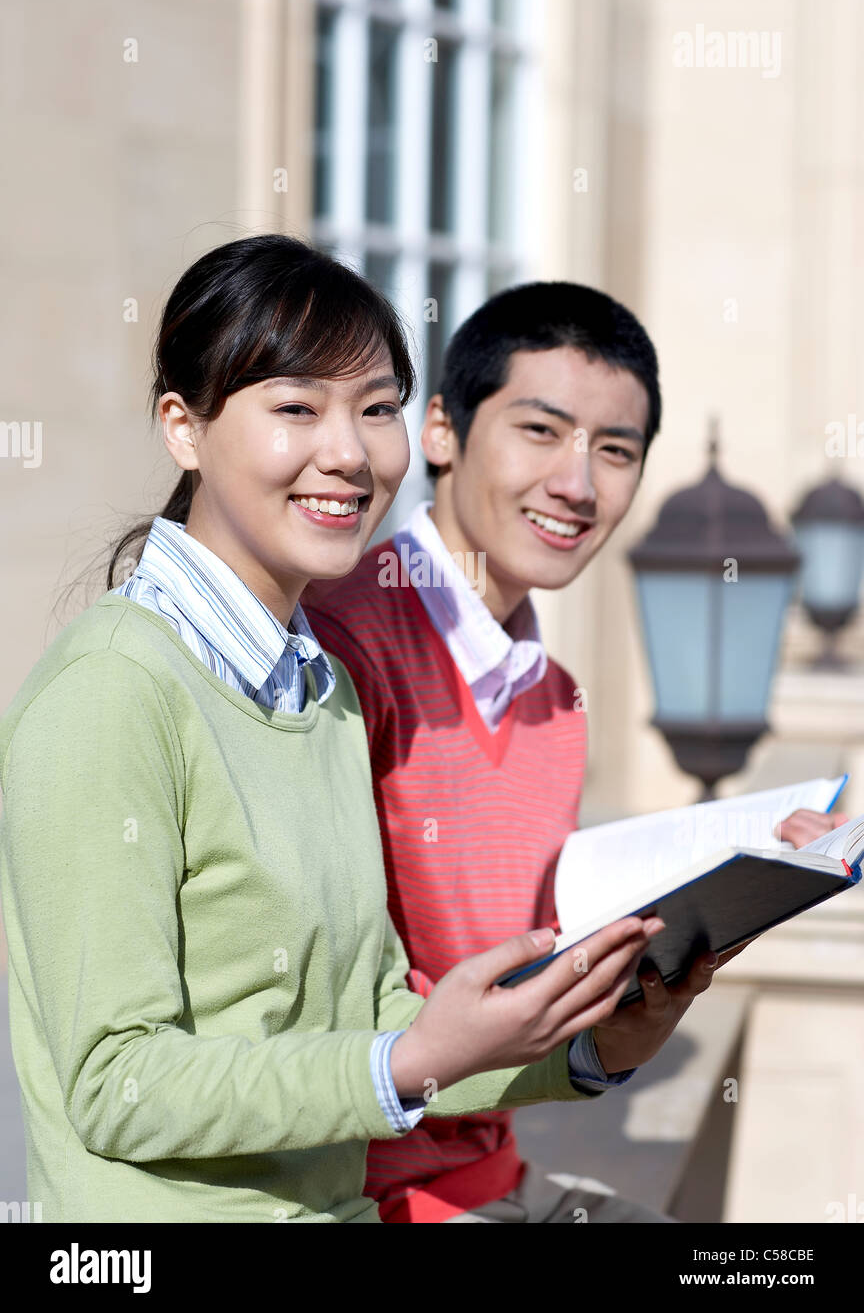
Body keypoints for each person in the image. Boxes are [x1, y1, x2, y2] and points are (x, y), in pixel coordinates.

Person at [0, 235, 681, 1224]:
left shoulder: (315, 688)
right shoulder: (112, 690)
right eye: (296, 408)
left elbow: (380, 1023)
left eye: (374, 410)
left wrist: (591, 1047)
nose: (351, 454)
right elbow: (117, 1083)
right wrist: (403, 1058)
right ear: (182, 428)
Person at [303, 280, 847, 1223]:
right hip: (360, 1201)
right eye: (541, 431)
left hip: (498, 1181)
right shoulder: (340, 650)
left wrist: (663, 963)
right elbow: (319, 1011)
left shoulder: (555, 701)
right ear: (441, 430)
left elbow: (524, 985)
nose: (578, 484)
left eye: (616, 450)